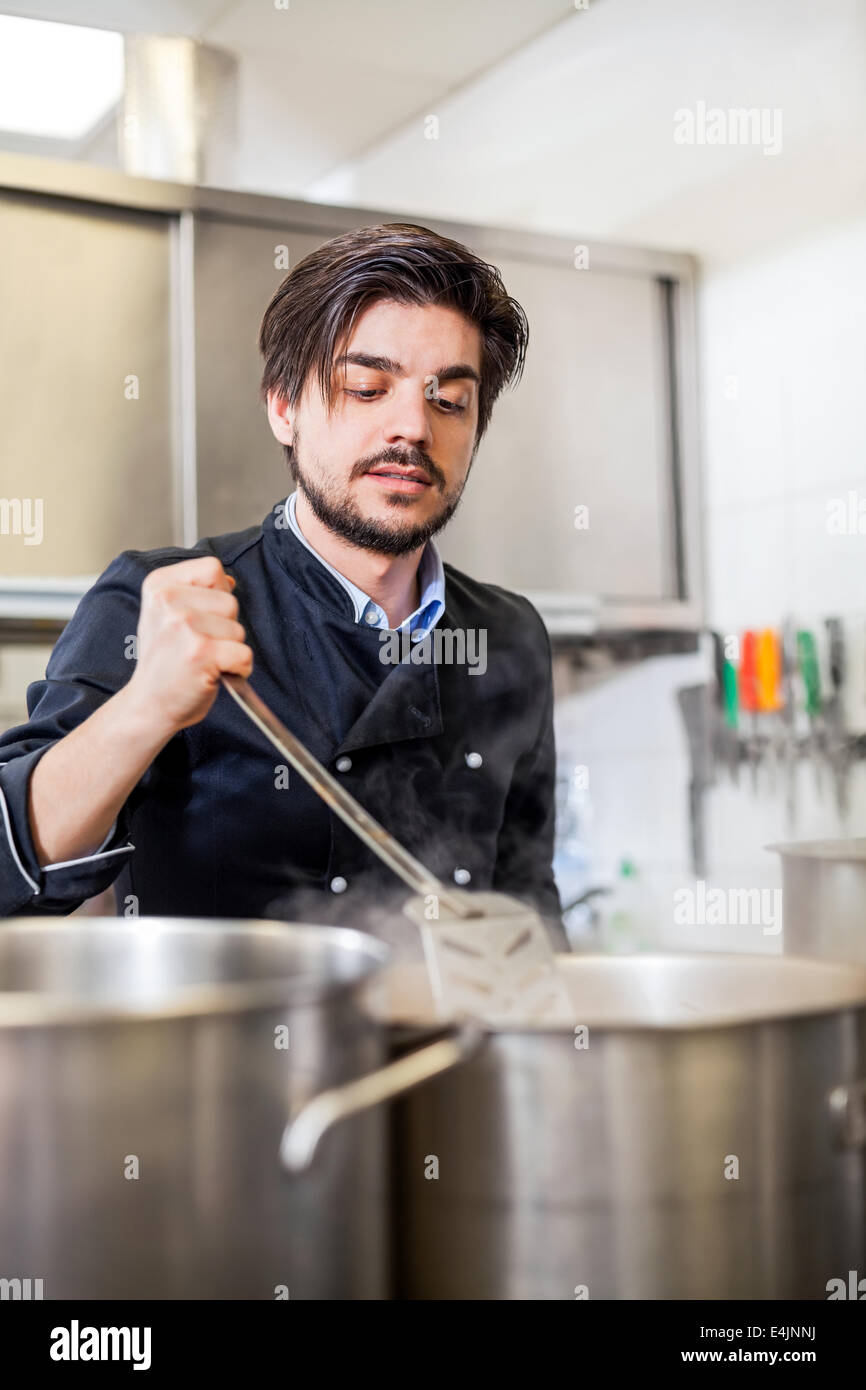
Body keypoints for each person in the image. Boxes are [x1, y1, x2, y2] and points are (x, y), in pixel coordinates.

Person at [0, 222, 566, 946]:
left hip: (444, 1054)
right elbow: (10, 866)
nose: (412, 426)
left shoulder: (509, 634)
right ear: (283, 407)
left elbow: (528, 897)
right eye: (367, 387)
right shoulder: (169, 601)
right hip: (225, 1053)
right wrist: (146, 707)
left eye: (450, 400)